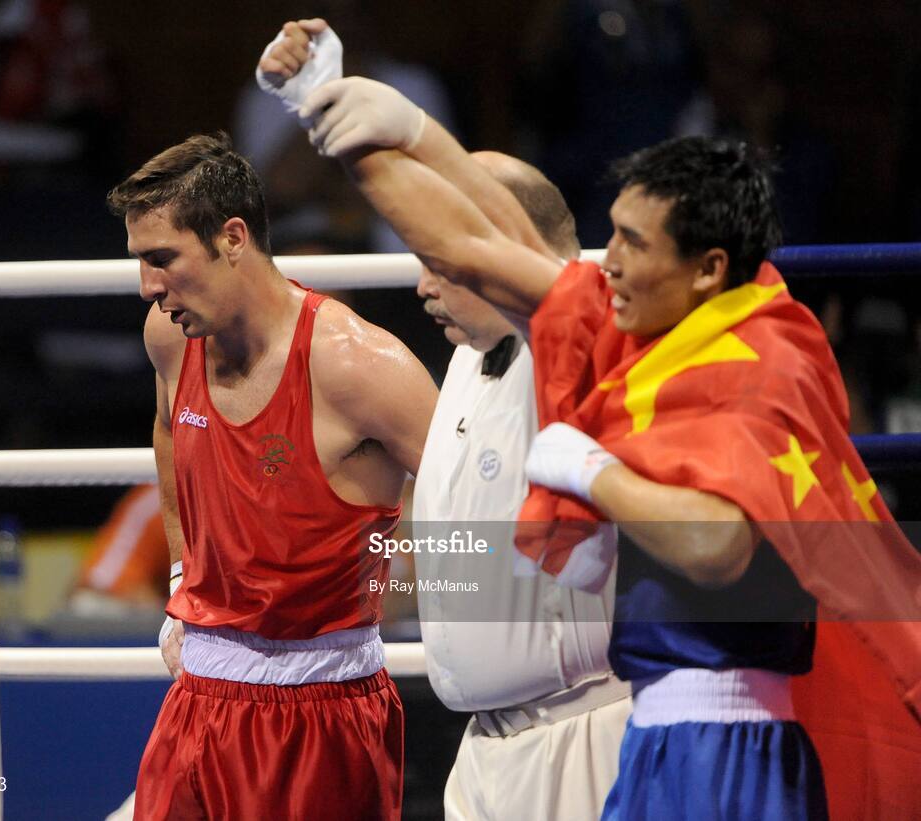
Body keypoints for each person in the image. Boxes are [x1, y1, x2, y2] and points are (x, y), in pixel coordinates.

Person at [259, 21, 921, 820]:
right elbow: (474, 240)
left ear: (707, 268)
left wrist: (589, 472)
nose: (606, 263)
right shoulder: (635, 338)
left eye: (632, 244)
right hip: (647, 734)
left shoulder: (757, 370)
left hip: (724, 739)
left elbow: (719, 544)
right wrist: (368, 120)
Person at [106, 131, 436, 820]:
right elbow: (170, 431)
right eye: (140, 261)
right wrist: (179, 569)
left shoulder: (360, 366)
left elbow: (481, 499)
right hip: (197, 698)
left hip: (323, 711)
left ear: (232, 237)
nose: (147, 286)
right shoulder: (169, 335)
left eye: (162, 259)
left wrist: (446, 600)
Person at [411, 150, 630, 820]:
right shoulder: (470, 350)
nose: (421, 285)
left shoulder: (584, 339)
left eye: (439, 262)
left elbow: (558, 290)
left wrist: (400, 136)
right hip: (482, 752)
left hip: (578, 743)